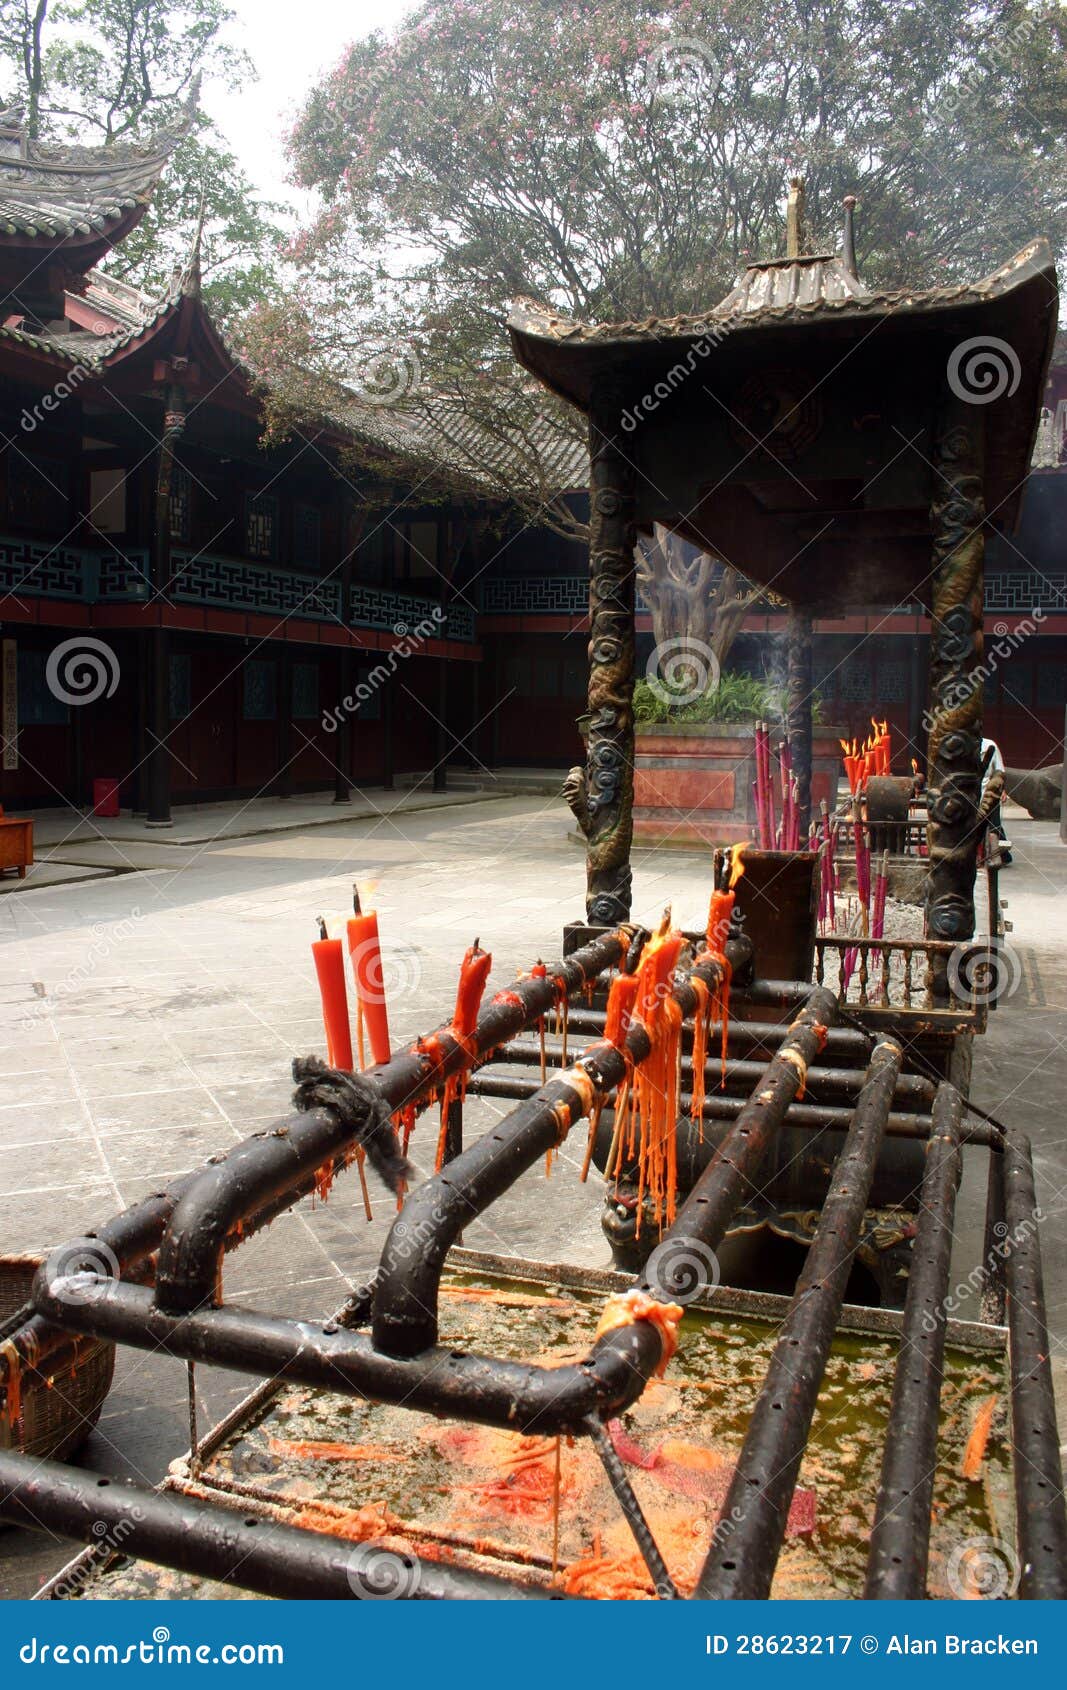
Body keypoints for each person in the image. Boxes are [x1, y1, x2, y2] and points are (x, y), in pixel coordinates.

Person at [981, 737, 1012, 864]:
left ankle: (999, 854)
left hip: (989, 790)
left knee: (994, 826)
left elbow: (999, 771)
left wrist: (1002, 789)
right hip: (969, 791)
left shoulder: (990, 745)